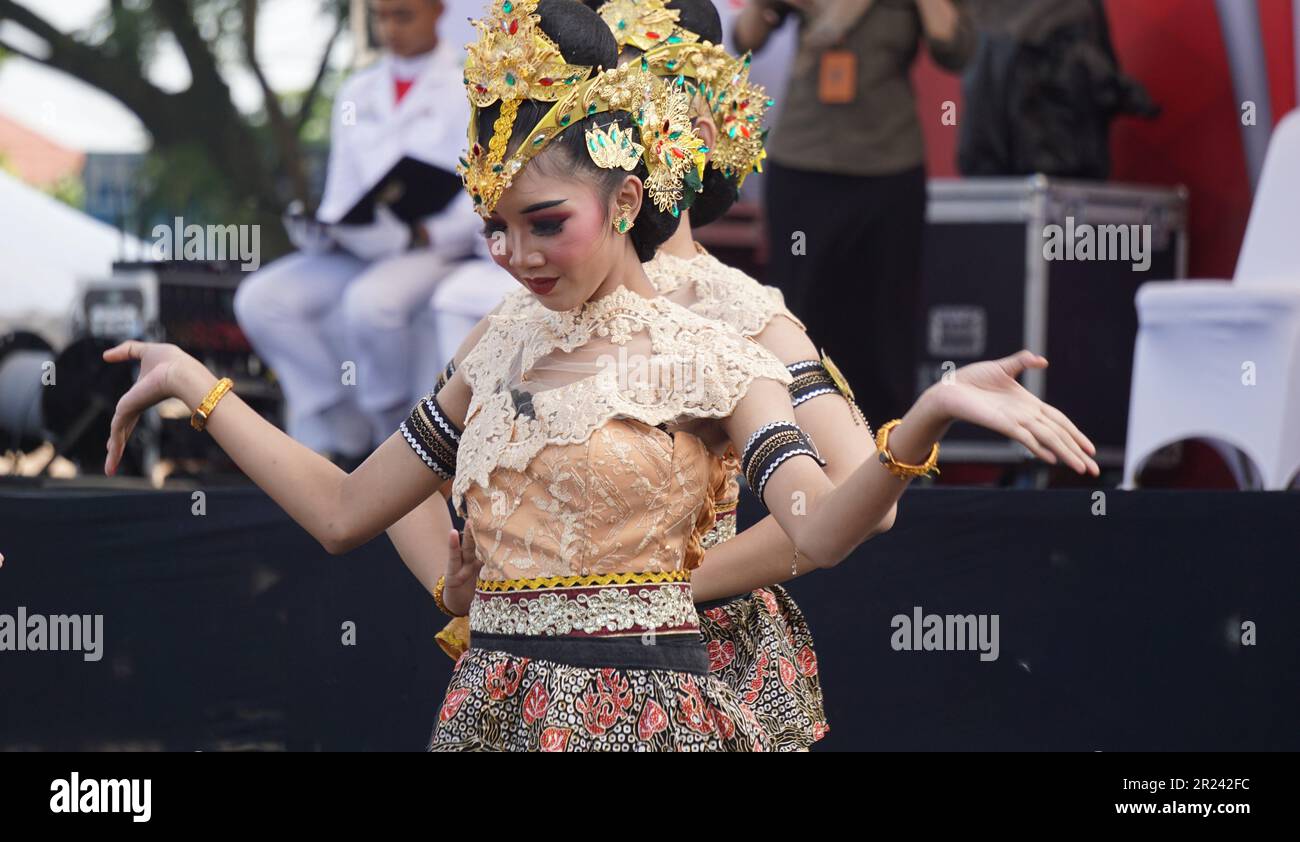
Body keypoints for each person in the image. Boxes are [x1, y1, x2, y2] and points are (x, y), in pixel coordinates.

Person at [102, 0, 1098, 752]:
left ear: (641, 165)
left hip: (672, 675)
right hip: (511, 689)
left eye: (543, 218)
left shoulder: (732, 327)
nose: (520, 247)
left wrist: (662, 579)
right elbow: (366, 498)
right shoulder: (509, 326)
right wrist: (475, 578)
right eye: (503, 222)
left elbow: (845, 520)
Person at [233, 0, 493, 466]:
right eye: (380, 16)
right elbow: (341, 194)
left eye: (402, 15)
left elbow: (479, 196)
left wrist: (426, 235)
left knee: (371, 303)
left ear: (437, 11)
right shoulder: (356, 90)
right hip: (361, 246)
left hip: (432, 249)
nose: (389, 27)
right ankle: (337, 418)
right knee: (260, 299)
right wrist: (322, 227)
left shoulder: (468, 86)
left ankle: (390, 434)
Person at [735, 0, 975, 427]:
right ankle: (795, 449)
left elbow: (954, 48)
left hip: (888, 166)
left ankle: (885, 458)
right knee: (797, 320)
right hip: (803, 162)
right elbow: (746, 38)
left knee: (885, 329)